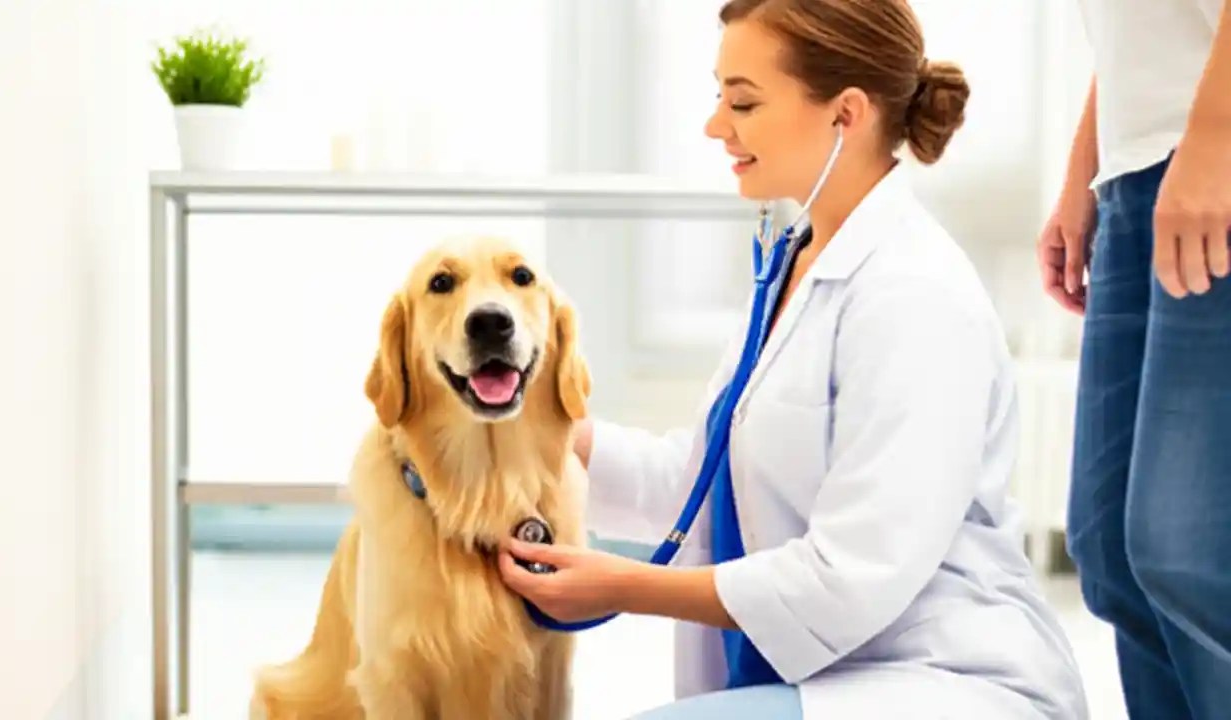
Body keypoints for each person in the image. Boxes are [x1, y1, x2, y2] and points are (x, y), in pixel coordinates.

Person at [498, 0, 1088, 718]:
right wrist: (557, 434)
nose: (717, 126)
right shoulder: (797, 262)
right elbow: (716, 488)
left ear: (846, 114)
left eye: (742, 101)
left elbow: (851, 574)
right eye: (719, 97)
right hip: (835, 677)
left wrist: (622, 586)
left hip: (945, 683)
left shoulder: (916, 296)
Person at [1038, 0, 1231, 717]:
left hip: (1212, 154)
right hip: (1139, 172)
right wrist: (1085, 172)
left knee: (1189, 553)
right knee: (1109, 549)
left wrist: (1214, 139)